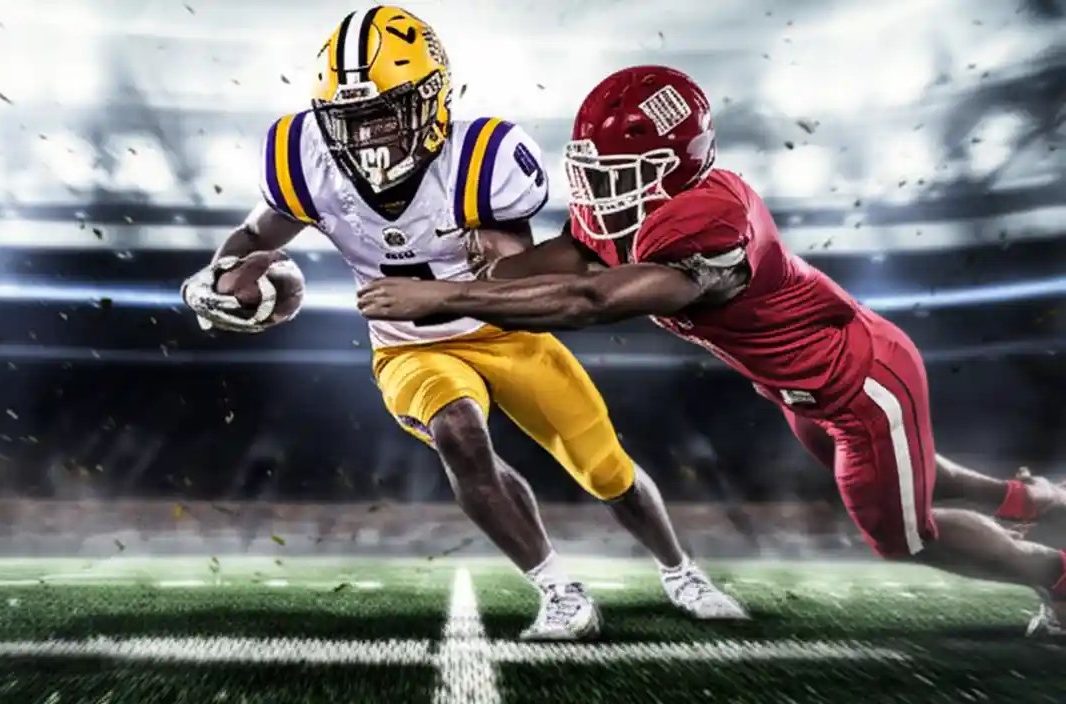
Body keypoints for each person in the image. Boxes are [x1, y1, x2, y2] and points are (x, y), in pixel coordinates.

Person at [357, 64, 1066, 637]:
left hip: (862, 382)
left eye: (618, 173)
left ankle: (1055, 575)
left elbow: (592, 301)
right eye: (593, 170)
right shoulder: (631, 208)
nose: (598, 190)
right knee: (905, 472)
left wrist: (448, 299)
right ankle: (1023, 496)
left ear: (677, 167)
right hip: (801, 390)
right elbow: (573, 257)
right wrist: (469, 271)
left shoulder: (714, 223)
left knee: (901, 534)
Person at [181, 12, 747, 641]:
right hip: (409, 350)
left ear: (432, 99)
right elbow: (258, 235)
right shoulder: (305, 157)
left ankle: (680, 570)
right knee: (458, 431)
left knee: (604, 467)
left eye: (384, 113)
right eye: (350, 119)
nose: (367, 135)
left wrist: (454, 287)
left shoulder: (481, 158)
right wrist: (224, 274)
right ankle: (559, 589)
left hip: (506, 332)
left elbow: (514, 283)